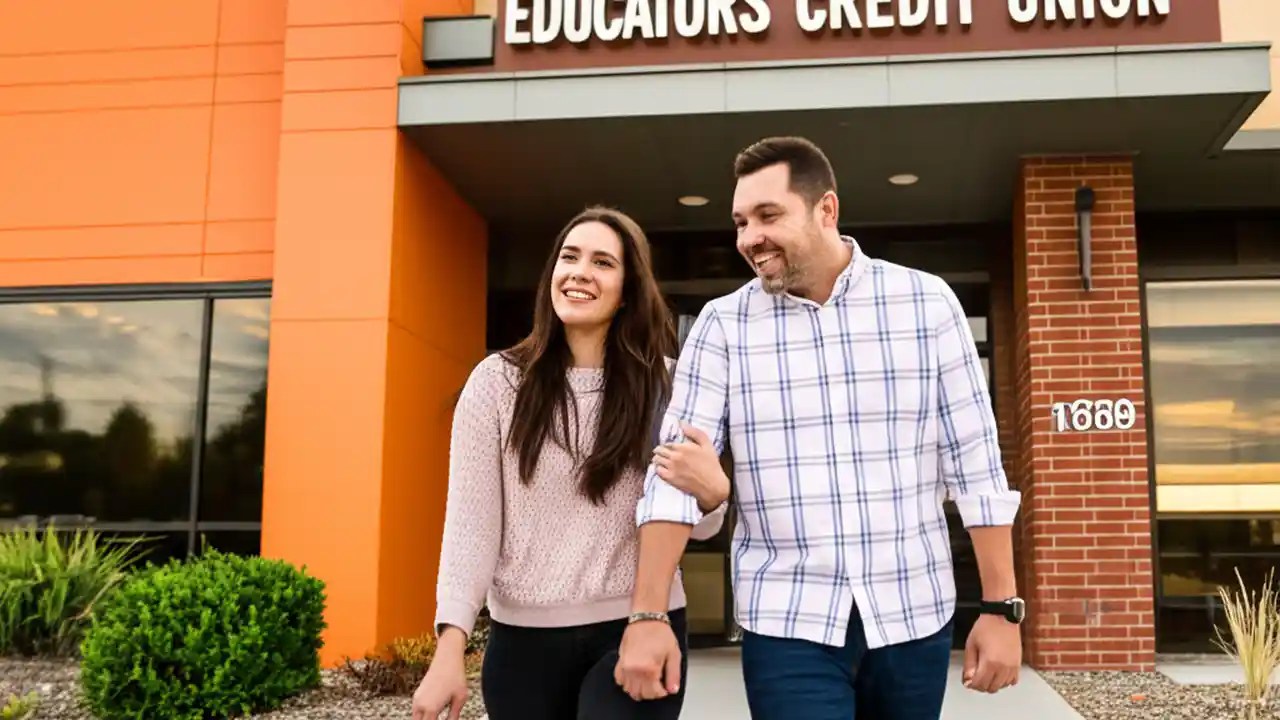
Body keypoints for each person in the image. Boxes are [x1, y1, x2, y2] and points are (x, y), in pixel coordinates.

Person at [614, 136, 1025, 719]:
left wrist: (1000, 607)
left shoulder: (927, 305)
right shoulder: (722, 326)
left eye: (768, 215)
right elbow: (673, 479)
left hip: (912, 614)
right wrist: (649, 614)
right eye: (740, 222)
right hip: (787, 623)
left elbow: (976, 464)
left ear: (826, 210)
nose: (749, 238)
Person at [412, 206, 731, 720]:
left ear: (627, 290)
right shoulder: (496, 383)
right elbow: (471, 527)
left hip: (637, 628)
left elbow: (695, 521)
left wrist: (715, 496)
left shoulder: (666, 385)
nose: (580, 271)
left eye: (603, 262)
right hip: (522, 645)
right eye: (570, 257)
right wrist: (450, 647)